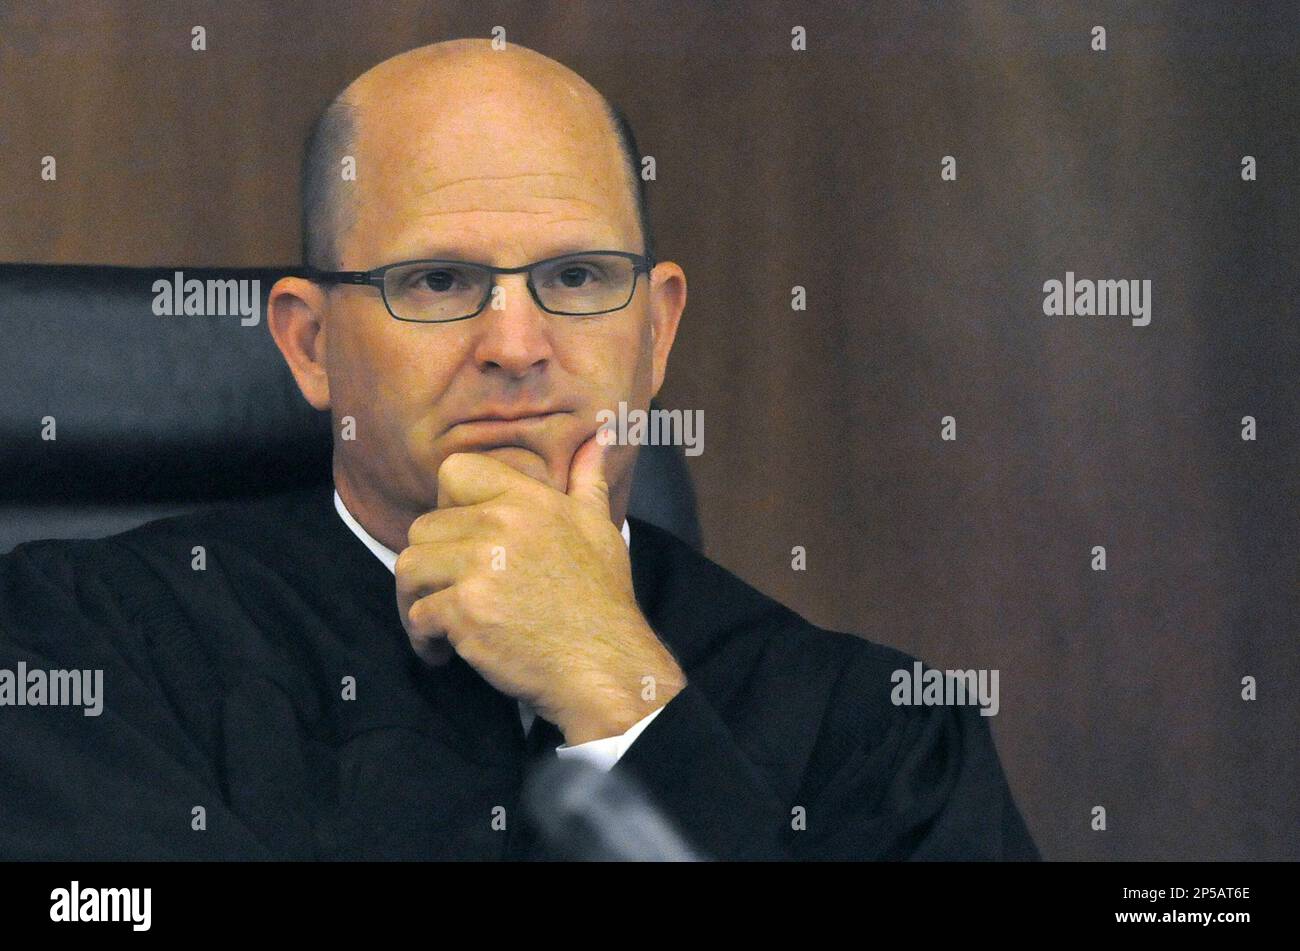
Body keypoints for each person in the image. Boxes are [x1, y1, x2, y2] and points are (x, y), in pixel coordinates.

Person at [0, 39, 1038, 860]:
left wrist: (621, 700)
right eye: (438, 282)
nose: (515, 345)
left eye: (577, 278)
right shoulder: (77, 650)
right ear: (310, 345)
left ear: (657, 331)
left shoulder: (877, 732)